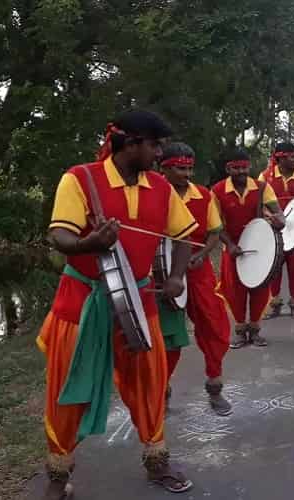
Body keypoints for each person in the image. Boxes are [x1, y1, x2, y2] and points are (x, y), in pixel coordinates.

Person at [40, 110, 197, 498]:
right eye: (155, 145)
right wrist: (87, 244)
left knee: (150, 385)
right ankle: (58, 477)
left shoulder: (160, 187)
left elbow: (183, 236)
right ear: (131, 144)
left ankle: (157, 461)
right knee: (67, 392)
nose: (159, 154)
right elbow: (59, 235)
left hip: (139, 302)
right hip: (81, 305)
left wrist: (177, 276)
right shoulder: (80, 179)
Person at [157, 143, 233, 416]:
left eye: (190, 168)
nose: (187, 174)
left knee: (214, 327)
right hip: (162, 275)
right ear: (164, 168)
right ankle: (161, 391)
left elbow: (214, 231)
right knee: (168, 337)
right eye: (181, 168)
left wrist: (201, 254)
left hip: (198, 270)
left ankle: (215, 386)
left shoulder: (203, 195)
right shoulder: (153, 194)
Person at [212, 148, 284, 348]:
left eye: (244, 167)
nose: (241, 172)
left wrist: (280, 221)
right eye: (236, 168)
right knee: (234, 291)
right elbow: (215, 225)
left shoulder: (262, 187)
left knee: (260, 288)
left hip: (259, 248)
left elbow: (278, 212)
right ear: (228, 169)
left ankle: (255, 329)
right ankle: (239, 330)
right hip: (233, 248)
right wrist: (230, 245)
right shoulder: (217, 191)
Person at [259, 142, 294, 319]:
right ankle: (275, 302)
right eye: (292, 157)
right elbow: (259, 203)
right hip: (273, 229)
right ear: (281, 158)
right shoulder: (265, 177)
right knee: (273, 267)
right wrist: (271, 217)